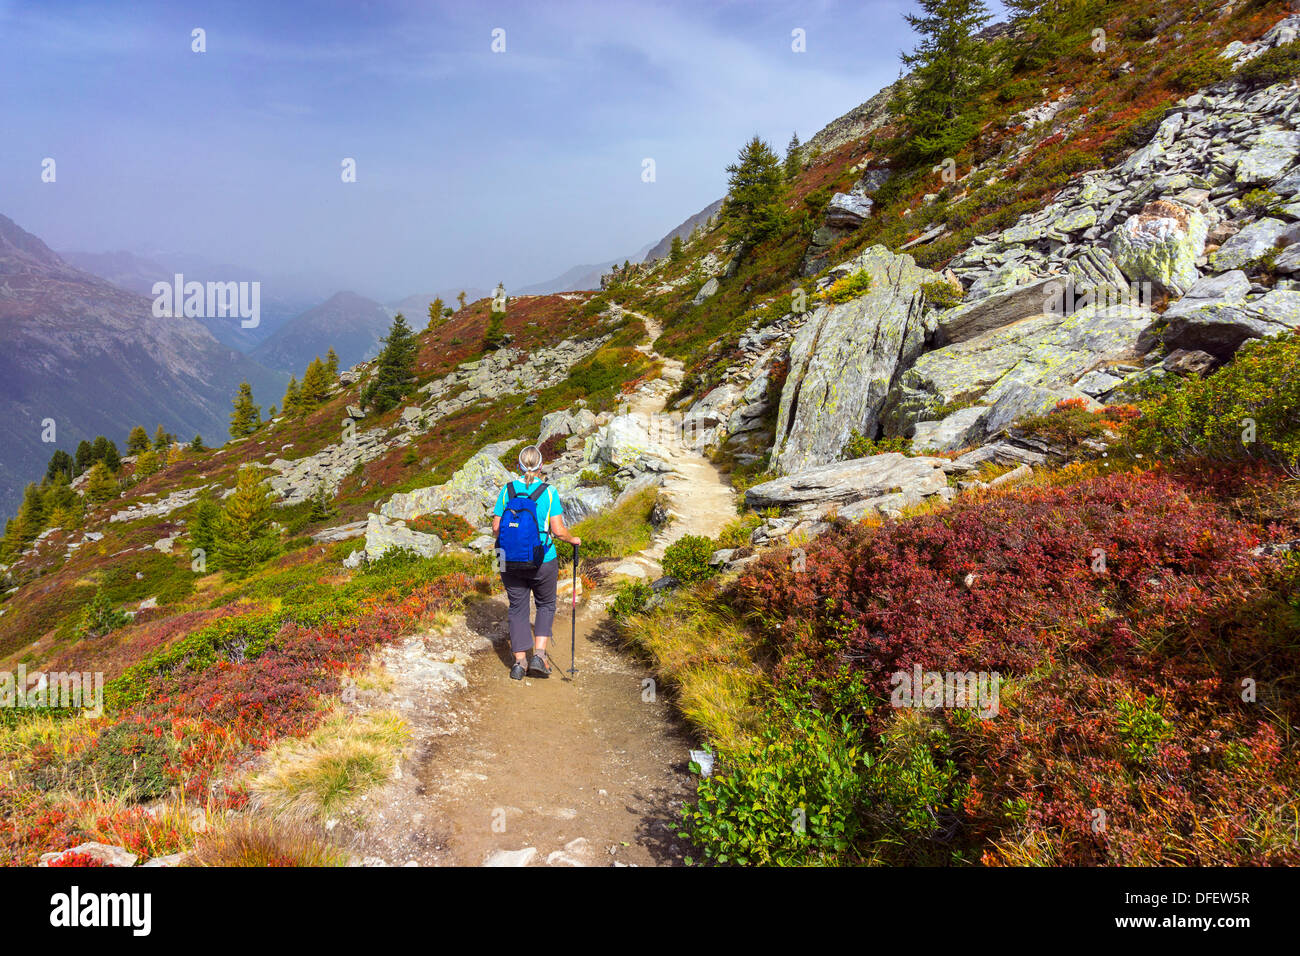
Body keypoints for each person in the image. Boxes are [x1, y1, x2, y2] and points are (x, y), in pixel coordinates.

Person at [492, 444, 581, 680]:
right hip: (543, 559)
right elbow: (558, 531)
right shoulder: (549, 492)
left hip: (507, 559)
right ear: (541, 466)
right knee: (545, 604)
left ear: (519, 466)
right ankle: (539, 656)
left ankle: (519, 663)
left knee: (517, 607)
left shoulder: (507, 490)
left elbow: (495, 527)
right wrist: (574, 540)